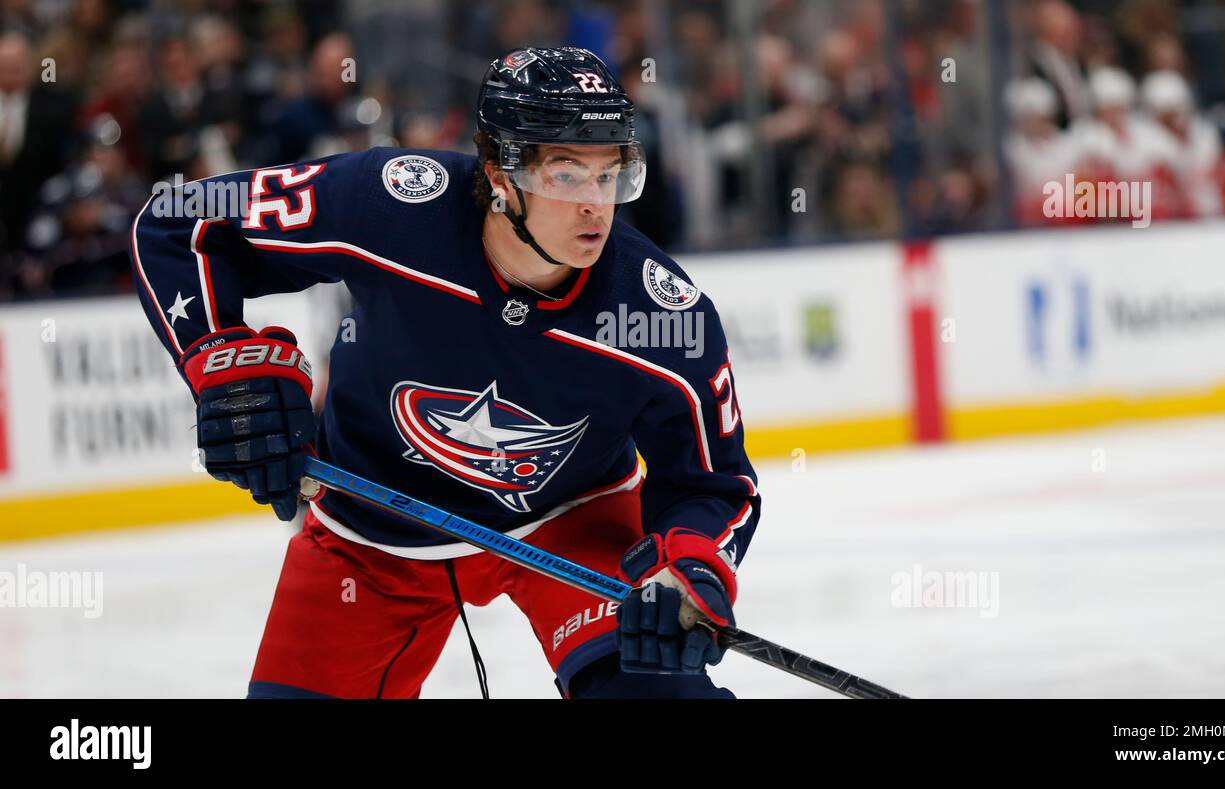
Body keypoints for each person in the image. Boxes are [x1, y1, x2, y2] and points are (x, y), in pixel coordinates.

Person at [130, 47, 760, 699]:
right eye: (567, 176)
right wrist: (222, 361)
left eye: (611, 177)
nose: (595, 207)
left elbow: (716, 482)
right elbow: (177, 221)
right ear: (499, 176)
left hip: (574, 524)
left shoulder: (660, 313)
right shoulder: (391, 204)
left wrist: (691, 565)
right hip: (369, 530)